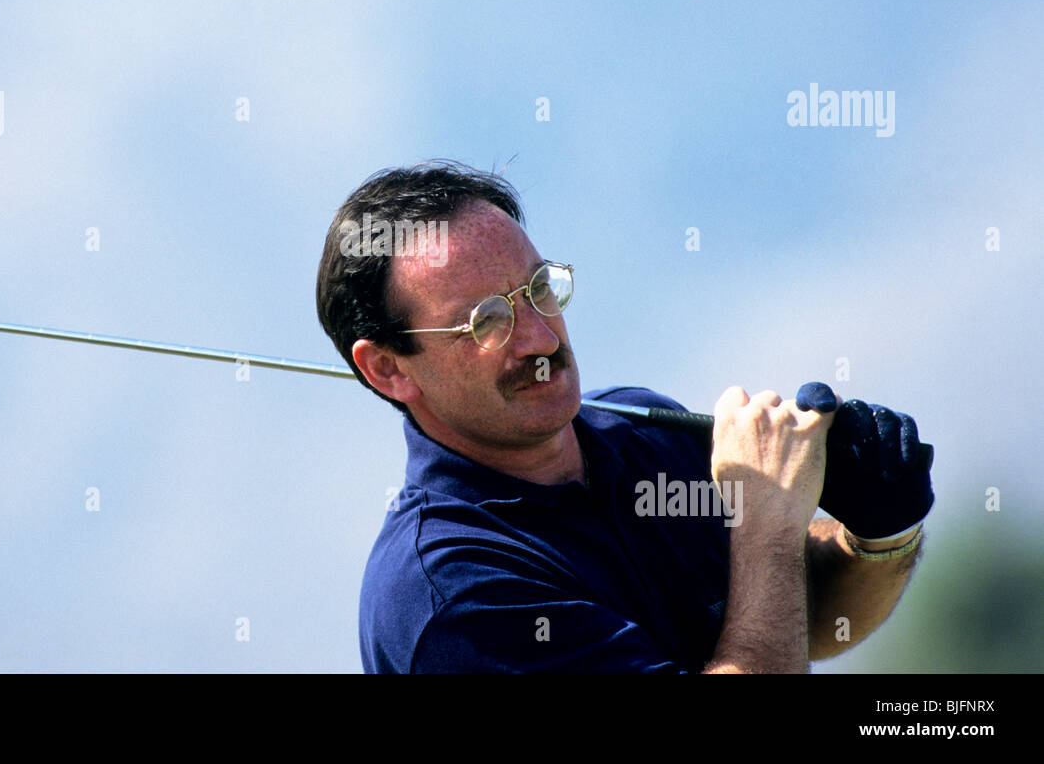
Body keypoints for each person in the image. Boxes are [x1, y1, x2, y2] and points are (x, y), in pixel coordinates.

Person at [315, 160, 934, 673]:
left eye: (538, 290)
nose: (538, 337)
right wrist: (767, 523)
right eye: (486, 321)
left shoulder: (645, 431)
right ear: (390, 369)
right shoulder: (450, 592)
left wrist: (878, 530)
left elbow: (795, 616)